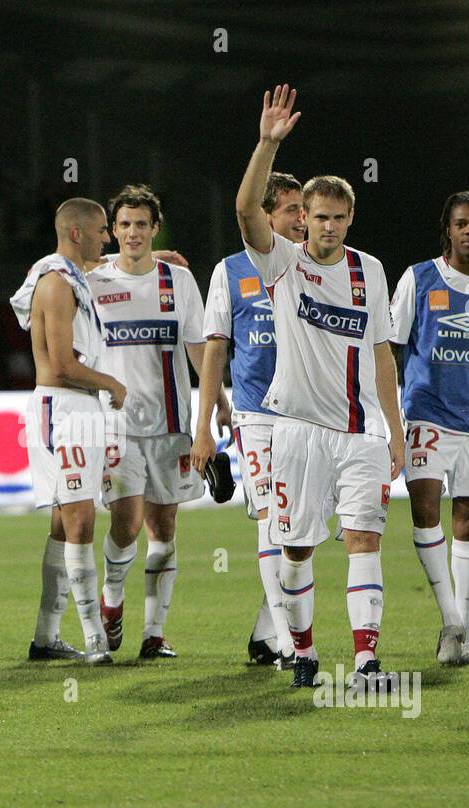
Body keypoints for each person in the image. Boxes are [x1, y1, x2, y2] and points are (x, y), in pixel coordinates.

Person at [235, 85, 404, 691]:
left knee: (364, 540)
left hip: (360, 431)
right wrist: (266, 142)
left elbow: (381, 350)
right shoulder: (282, 261)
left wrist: (396, 429)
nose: (328, 226)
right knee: (299, 549)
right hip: (297, 431)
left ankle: (366, 662)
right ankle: (304, 654)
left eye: (339, 217)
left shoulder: (371, 271)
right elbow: (246, 209)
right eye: (318, 216)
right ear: (302, 217)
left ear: (350, 219)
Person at [90, 184, 222, 659]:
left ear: (154, 227)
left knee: (163, 532)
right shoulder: (93, 279)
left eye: (141, 224)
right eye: (123, 224)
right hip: (115, 426)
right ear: (112, 230)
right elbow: (43, 274)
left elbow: (197, 348)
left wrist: (216, 403)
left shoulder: (178, 281)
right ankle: (111, 597)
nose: (132, 232)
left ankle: (154, 634)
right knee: (126, 522)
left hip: (171, 427)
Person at [390, 190, 469, 665]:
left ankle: (466, 638)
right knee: (424, 512)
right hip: (427, 413)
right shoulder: (419, 278)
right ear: (448, 229)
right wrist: (393, 413)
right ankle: (450, 624)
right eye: (461, 223)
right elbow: (391, 344)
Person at [191, 172, 305, 667]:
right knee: (268, 520)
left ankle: (265, 633)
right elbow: (216, 346)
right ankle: (287, 641)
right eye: (291, 210)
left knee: (297, 532)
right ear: (265, 216)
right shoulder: (231, 271)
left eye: (305, 209)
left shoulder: (314, 264)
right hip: (257, 415)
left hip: (310, 416)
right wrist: (203, 427)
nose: (303, 218)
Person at [10, 198, 126, 663]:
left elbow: (105, 260)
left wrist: (161, 259)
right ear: (76, 233)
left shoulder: (66, 275)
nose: (108, 237)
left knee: (63, 524)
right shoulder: (57, 286)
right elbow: (60, 365)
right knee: (80, 522)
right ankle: (97, 642)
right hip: (64, 409)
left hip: (76, 410)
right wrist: (110, 382)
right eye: (101, 229)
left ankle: (45, 638)